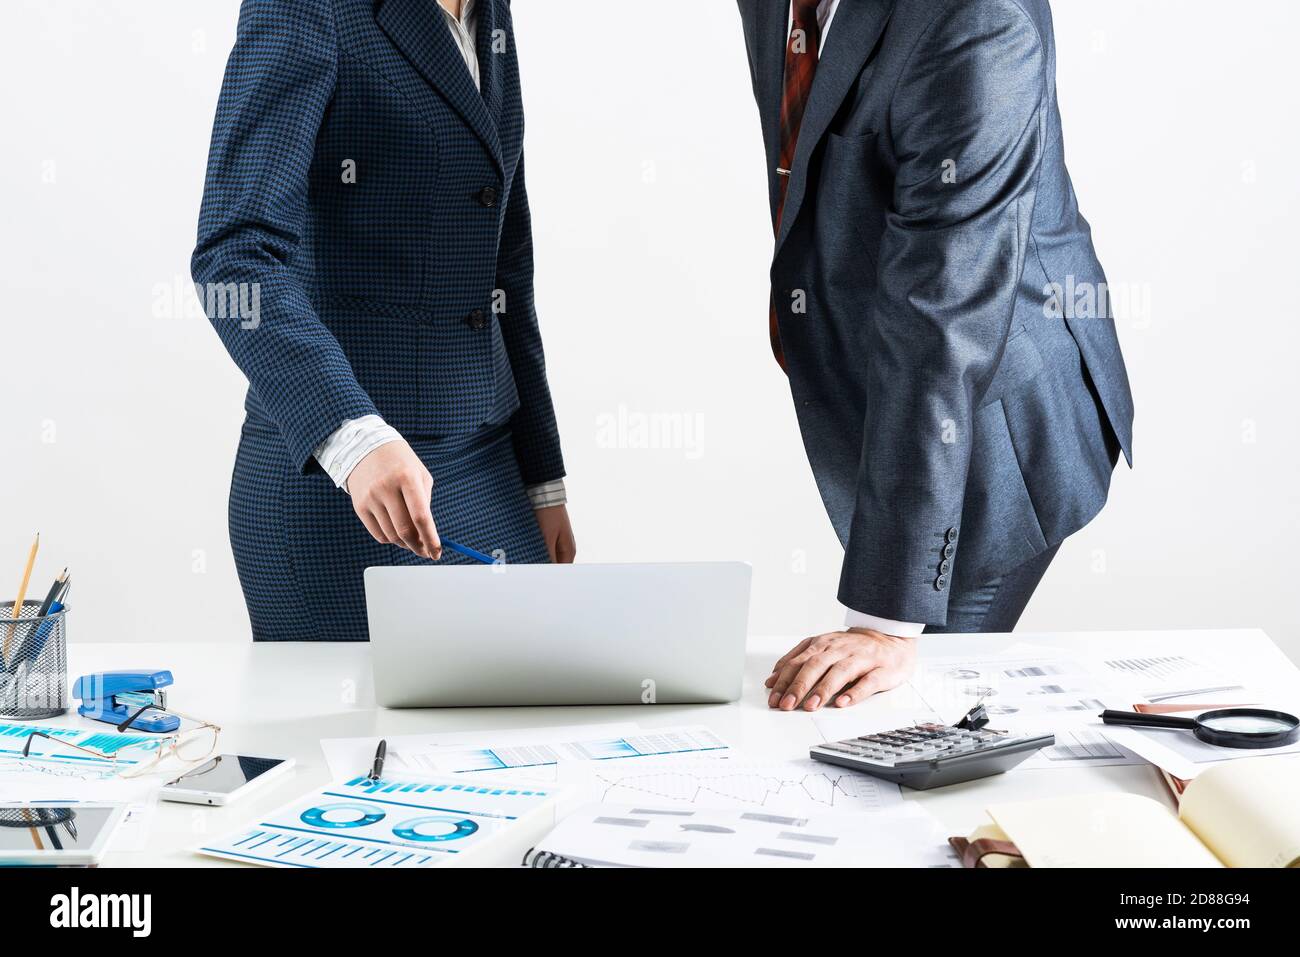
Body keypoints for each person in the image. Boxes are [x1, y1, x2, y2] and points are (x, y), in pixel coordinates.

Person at [735, 0, 1134, 708]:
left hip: (1003, 417)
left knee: (905, 712)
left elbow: (942, 321)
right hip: (890, 369)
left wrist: (884, 622)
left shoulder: (977, 19)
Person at [192, 0, 574, 641]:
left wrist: (541, 476)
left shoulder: (489, 13)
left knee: (529, 730)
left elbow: (506, 265)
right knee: (355, 742)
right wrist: (353, 436)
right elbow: (235, 258)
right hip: (349, 485)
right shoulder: (306, 9)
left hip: (489, 467)